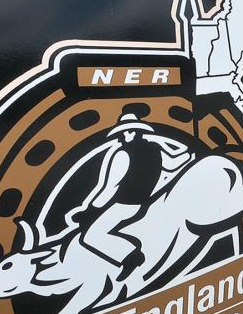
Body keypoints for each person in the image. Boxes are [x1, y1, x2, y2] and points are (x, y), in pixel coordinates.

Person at [72, 114, 194, 273]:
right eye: (122, 133)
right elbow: (174, 163)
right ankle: (132, 256)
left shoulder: (122, 154)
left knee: (90, 236)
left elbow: (109, 188)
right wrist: (189, 152)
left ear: (137, 131)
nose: (123, 136)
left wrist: (90, 211)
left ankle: (132, 256)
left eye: (127, 132)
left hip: (124, 205)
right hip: (142, 203)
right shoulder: (155, 148)